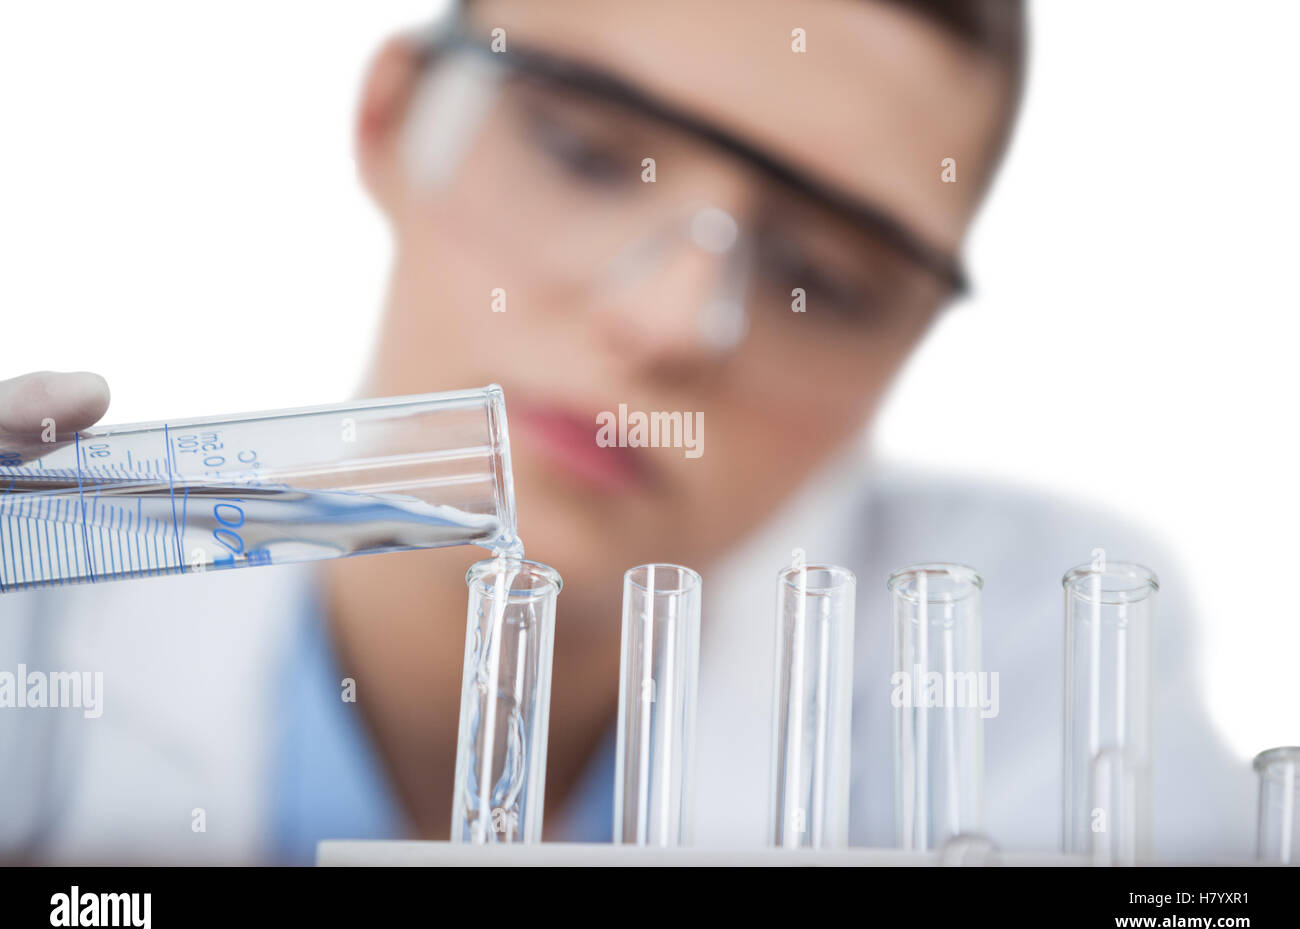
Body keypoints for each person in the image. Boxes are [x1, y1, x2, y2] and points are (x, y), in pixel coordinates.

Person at [0, 0, 1253, 863]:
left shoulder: (1029, 664)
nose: (671, 321)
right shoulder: (45, 593)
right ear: (394, 120)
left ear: (910, 342)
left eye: (825, 273)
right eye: (590, 154)